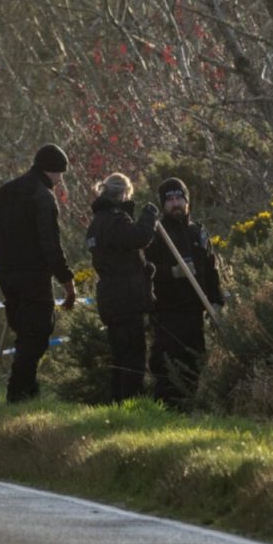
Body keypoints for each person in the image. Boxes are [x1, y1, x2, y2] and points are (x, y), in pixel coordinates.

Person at [0, 143, 77, 402]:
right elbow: (51, 245)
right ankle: (18, 393)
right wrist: (67, 282)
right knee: (37, 334)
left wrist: (9, 251)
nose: (60, 180)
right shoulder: (42, 197)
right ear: (52, 170)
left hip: (7, 275)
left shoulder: (3, 192)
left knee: (24, 334)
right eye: (60, 174)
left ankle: (28, 391)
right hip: (34, 277)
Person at [146, 178, 223, 409]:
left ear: (187, 201)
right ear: (163, 204)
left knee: (194, 365)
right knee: (168, 367)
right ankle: (163, 414)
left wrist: (216, 302)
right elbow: (144, 270)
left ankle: (188, 412)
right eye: (169, 200)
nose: (175, 203)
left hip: (194, 313)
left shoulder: (198, 232)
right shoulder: (156, 234)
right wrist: (172, 272)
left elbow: (211, 270)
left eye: (179, 198)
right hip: (167, 313)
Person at [85, 172, 159, 402]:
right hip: (126, 298)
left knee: (119, 356)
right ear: (124, 193)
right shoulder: (116, 219)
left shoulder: (96, 223)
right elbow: (140, 237)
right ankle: (131, 404)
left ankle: (117, 404)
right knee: (133, 358)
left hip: (109, 297)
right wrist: (149, 215)